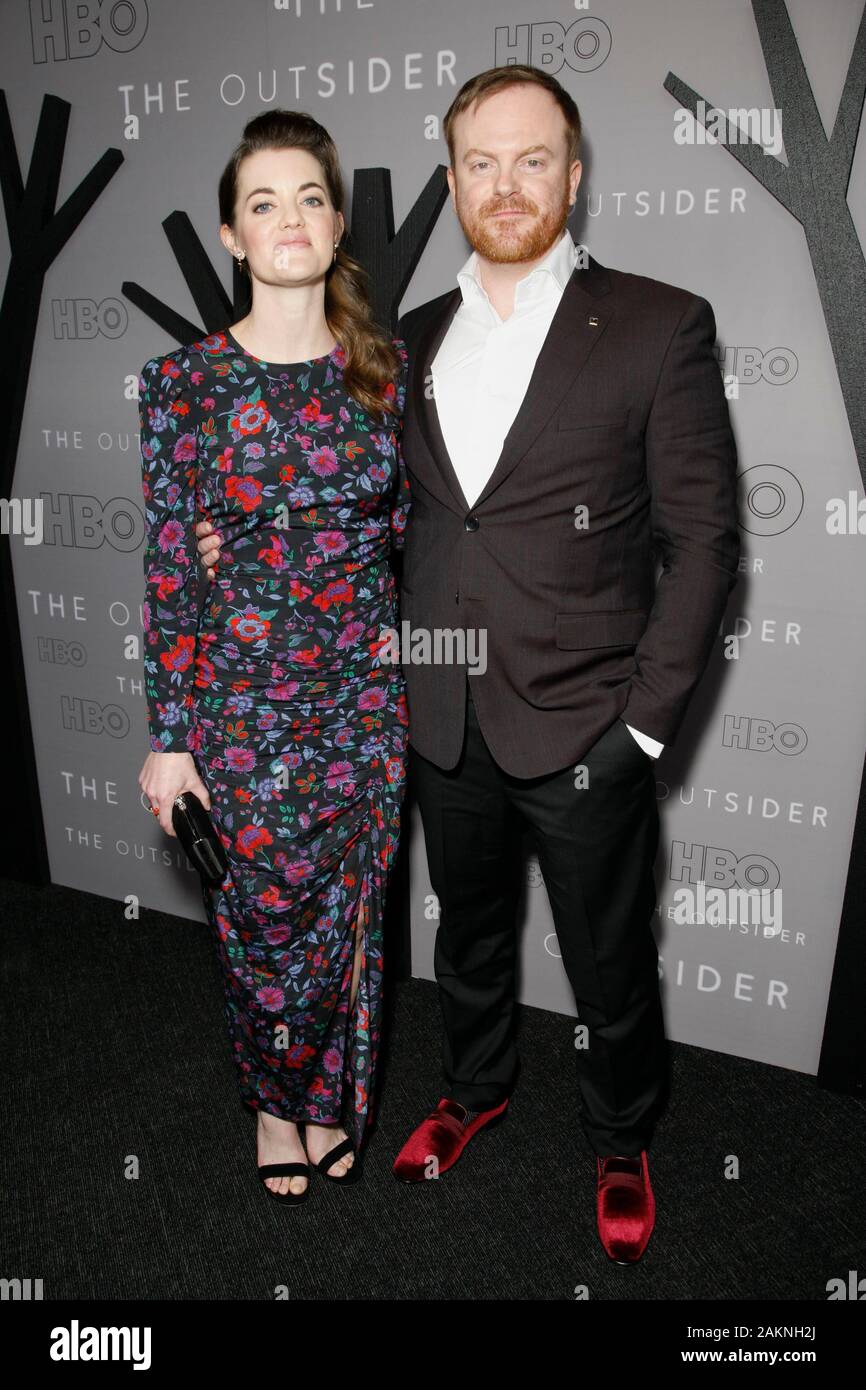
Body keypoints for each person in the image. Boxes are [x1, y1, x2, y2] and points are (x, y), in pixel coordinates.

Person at [196, 66, 740, 1261]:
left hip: (589, 720)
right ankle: (473, 1088)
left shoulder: (656, 322)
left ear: (572, 176)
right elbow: (366, 515)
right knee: (468, 938)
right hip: (436, 714)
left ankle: (616, 1137)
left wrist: (642, 726)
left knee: (608, 959)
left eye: (531, 158)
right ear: (450, 182)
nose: (505, 185)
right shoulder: (403, 342)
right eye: (480, 164)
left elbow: (701, 544)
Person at [137, 109, 411, 1204]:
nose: (287, 218)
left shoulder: (382, 376)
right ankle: (269, 1101)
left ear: (335, 223)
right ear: (231, 235)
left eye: (307, 196)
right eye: (263, 202)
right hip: (238, 709)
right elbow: (167, 568)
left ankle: (326, 1100)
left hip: (360, 704)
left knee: (349, 915)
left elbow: (399, 538)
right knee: (257, 920)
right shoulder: (182, 385)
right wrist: (169, 740)